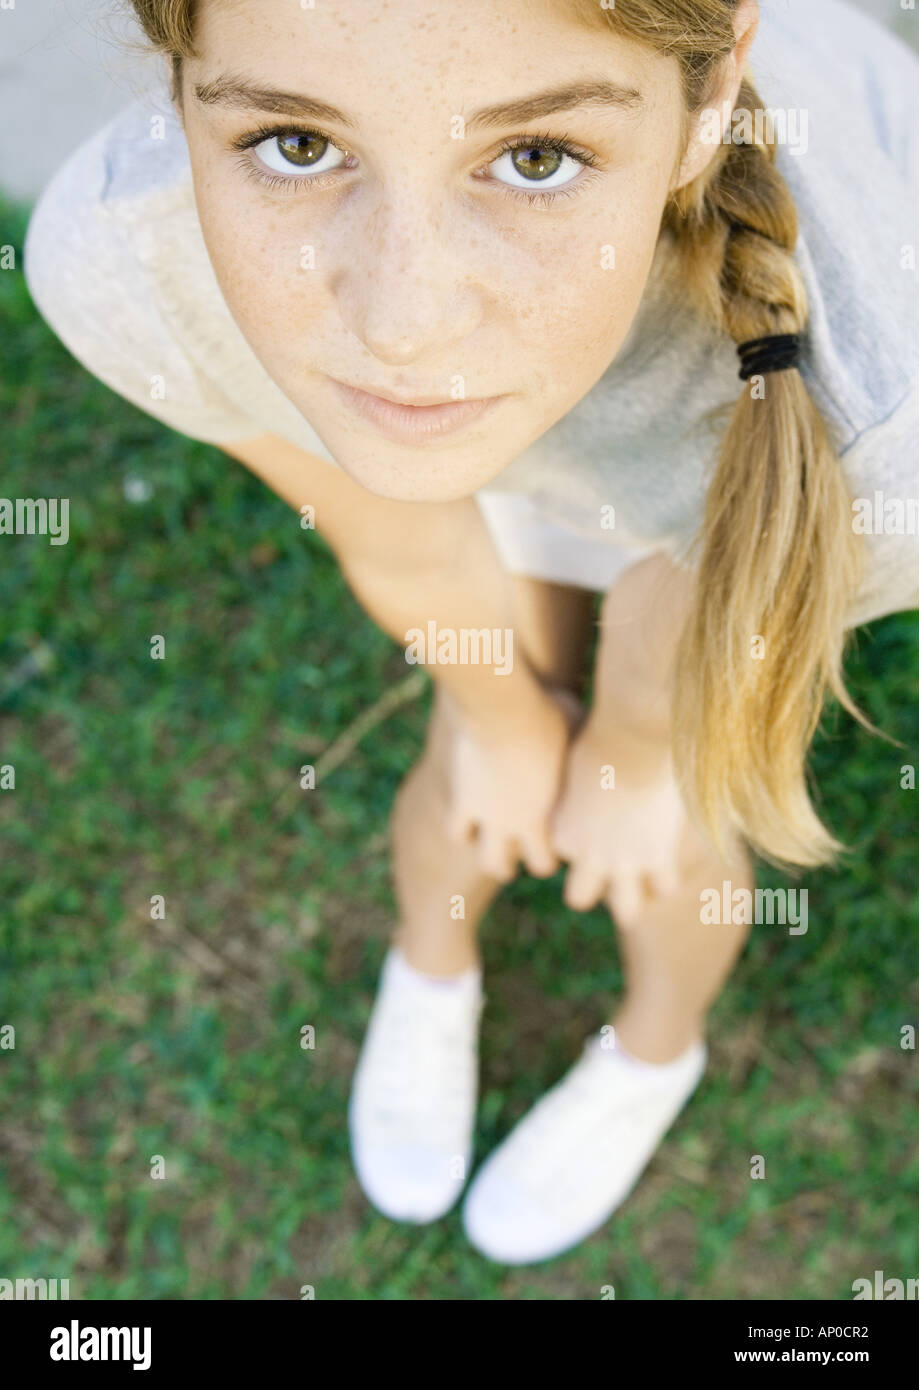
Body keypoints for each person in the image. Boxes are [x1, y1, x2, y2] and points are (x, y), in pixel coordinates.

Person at [23, 0, 919, 1265]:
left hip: (719, 435)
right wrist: (495, 715)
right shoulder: (129, 256)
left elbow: (707, 573)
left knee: (668, 829)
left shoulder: (879, 432)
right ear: (181, 86)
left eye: (537, 157)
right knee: (475, 759)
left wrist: (639, 748)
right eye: (292, 142)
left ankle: (653, 1047)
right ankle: (434, 971)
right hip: (505, 435)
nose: (402, 322)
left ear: (708, 97)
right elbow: (391, 526)